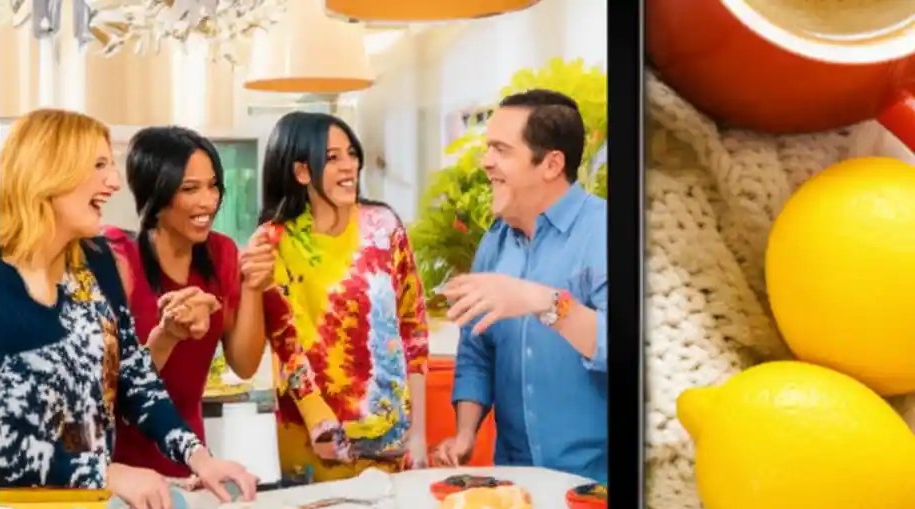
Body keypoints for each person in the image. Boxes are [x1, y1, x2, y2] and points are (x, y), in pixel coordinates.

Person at [0, 109, 258, 509]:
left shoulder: (96, 261)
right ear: (48, 169)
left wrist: (199, 457)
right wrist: (106, 472)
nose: (115, 182)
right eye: (99, 165)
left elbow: (134, 374)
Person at [433, 89, 608, 485]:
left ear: (550, 164)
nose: (485, 162)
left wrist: (540, 300)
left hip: (598, 487)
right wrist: (465, 432)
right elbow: (476, 352)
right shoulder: (493, 243)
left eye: (501, 150)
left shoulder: (606, 232)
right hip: (514, 482)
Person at [255, 111, 430, 483]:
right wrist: (317, 420)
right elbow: (285, 342)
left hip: (388, 439)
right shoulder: (273, 242)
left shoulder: (384, 228)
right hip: (312, 439)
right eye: (332, 157)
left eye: (351, 153)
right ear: (302, 171)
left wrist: (419, 435)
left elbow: (413, 332)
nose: (349, 165)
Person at [103, 126, 274, 480]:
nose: (208, 201)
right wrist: (168, 334)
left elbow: (243, 364)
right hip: (124, 467)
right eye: (189, 189)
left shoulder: (222, 253)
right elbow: (115, 394)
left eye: (213, 186)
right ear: (156, 192)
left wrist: (254, 285)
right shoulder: (118, 258)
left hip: (192, 461)